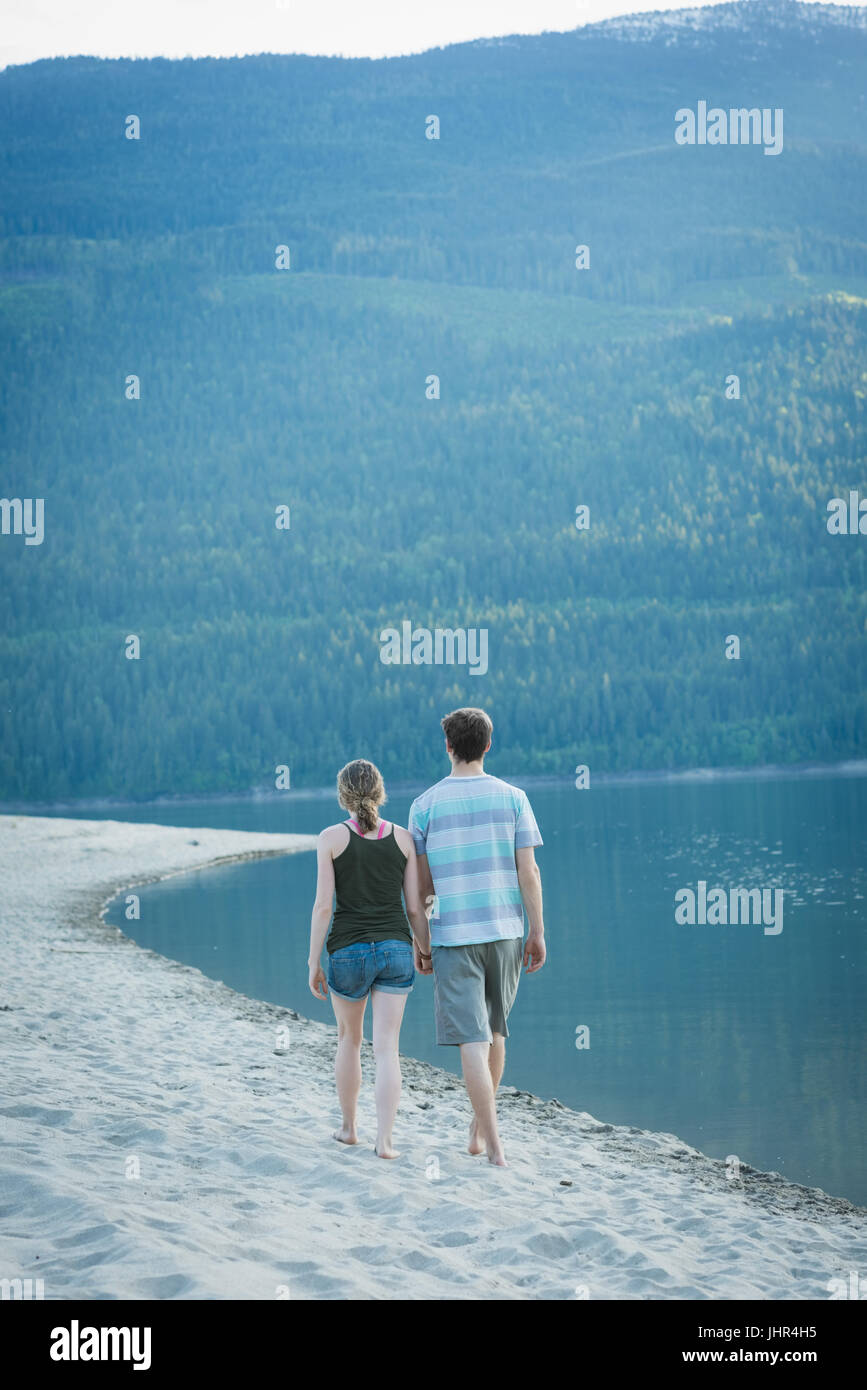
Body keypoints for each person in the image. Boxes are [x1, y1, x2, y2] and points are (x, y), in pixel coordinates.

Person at [409, 707, 545, 1167]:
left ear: (448, 746)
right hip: (506, 933)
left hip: (452, 936)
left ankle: (491, 1144)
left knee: (472, 1038)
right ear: (488, 745)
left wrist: (422, 943)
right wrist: (537, 931)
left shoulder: (424, 806)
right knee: (495, 1031)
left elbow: (423, 889)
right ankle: (481, 1133)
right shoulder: (514, 798)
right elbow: (528, 872)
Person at [308, 758, 432, 1158]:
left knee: (349, 1039)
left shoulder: (329, 838)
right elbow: (415, 908)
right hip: (397, 948)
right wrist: (424, 948)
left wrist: (313, 962)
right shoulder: (403, 839)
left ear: (343, 794)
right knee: (387, 1048)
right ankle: (386, 1141)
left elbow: (323, 907)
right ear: (379, 791)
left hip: (347, 951)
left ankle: (349, 1129)